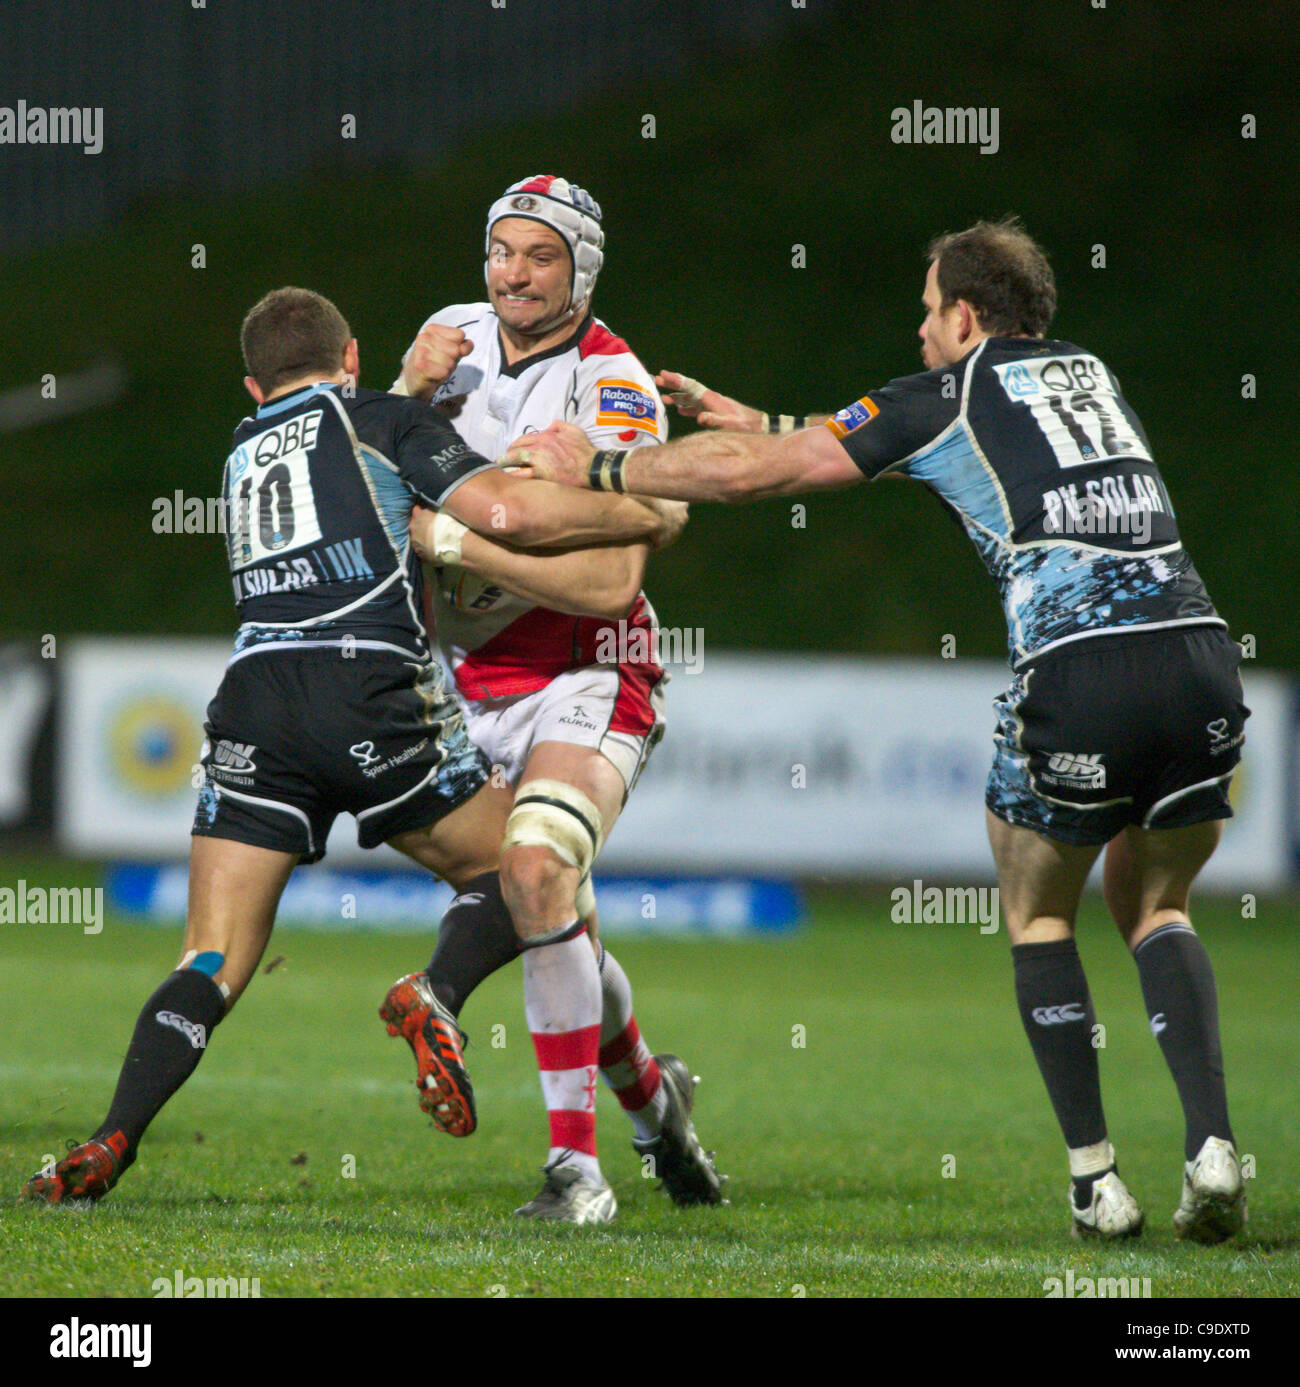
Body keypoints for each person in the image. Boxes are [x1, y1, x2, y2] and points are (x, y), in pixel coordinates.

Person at [509, 217, 1249, 1244]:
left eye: (925, 310)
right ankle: (1212, 1146)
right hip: (1203, 660)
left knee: (1040, 915)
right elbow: (935, 450)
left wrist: (596, 470)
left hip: (1078, 674)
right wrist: (771, 418)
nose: (916, 331)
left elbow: (745, 478)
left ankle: (1096, 1180)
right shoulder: (1087, 372)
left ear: (963, 314)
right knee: (1158, 904)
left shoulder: (946, 393)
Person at [21, 286, 674, 1213]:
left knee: (208, 956)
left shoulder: (241, 451)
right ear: (353, 355)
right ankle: (434, 989)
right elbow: (507, 517)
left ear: (256, 387)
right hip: (365, 687)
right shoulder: (385, 418)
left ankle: (112, 1135)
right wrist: (642, 503)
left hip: (253, 703)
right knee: (524, 873)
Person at [382, 175, 725, 1223]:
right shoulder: (445, 339)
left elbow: (615, 580)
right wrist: (402, 387)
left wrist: (457, 536)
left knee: (533, 869)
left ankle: (576, 1173)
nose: (514, 274)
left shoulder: (613, 380)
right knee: (550, 904)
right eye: (502, 251)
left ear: (581, 267)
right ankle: (657, 1100)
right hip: (467, 680)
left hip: (588, 667)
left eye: (540, 256)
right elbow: (369, 473)